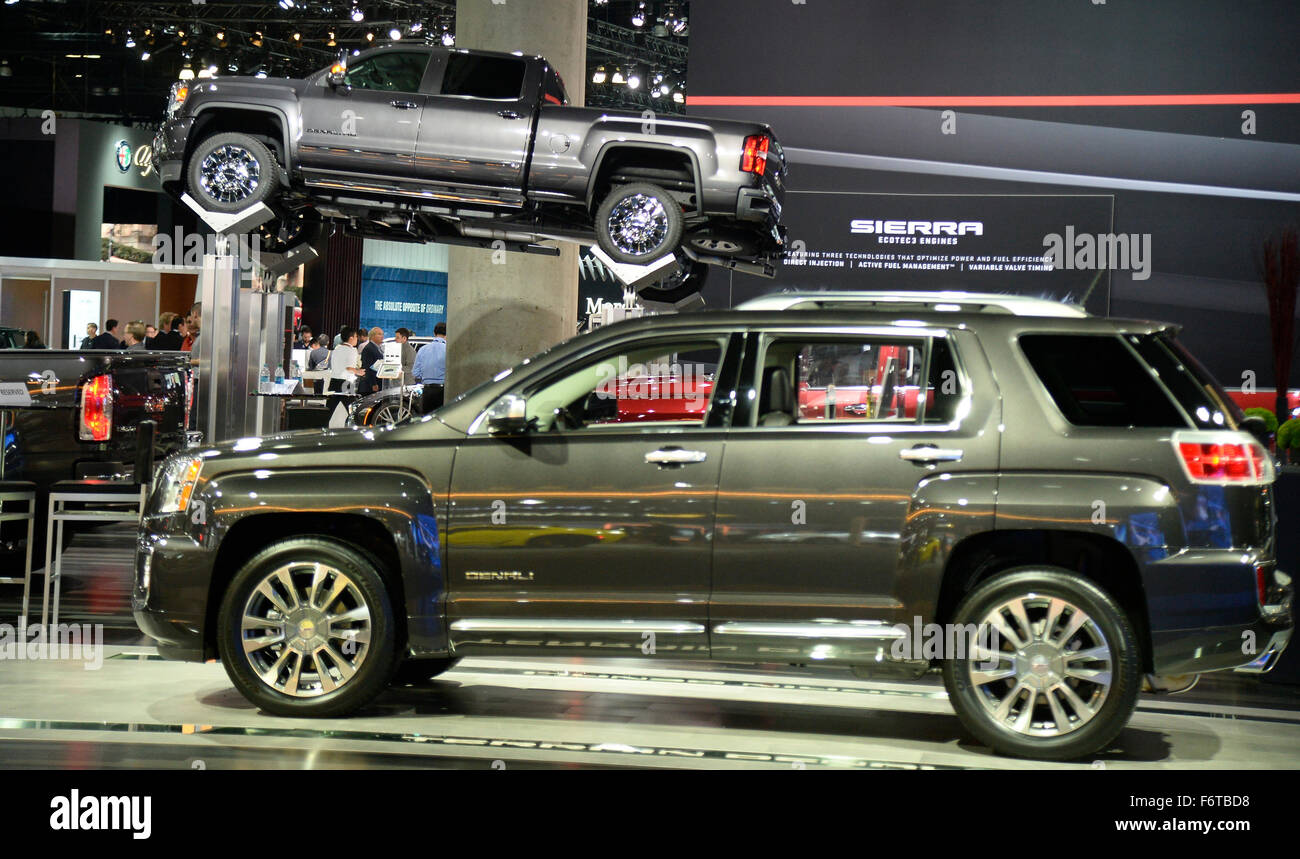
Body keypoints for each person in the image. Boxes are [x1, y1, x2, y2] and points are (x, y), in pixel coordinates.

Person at [327, 326, 365, 420]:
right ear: (351, 338)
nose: (357, 339)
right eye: (356, 336)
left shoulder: (337, 348)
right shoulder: (351, 350)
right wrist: (358, 372)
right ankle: (355, 429)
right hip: (346, 383)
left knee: (329, 411)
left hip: (334, 381)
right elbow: (349, 368)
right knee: (353, 412)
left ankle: (321, 428)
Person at [413, 322, 446, 413]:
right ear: (447, 334)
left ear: (434, 333)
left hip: (427, 391)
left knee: (427, 420)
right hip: (443, 391)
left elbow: (415, 373)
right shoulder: (448, 349)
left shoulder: (423, 349)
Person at [358, 327, 384, 396]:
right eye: (379, 334)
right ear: (372, 336)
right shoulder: (369, 348)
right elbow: (368, 368)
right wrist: (373, 383)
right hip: (369, 386)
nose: (382, 336)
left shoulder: (377, 348)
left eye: (382, 334)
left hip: (376, 383)